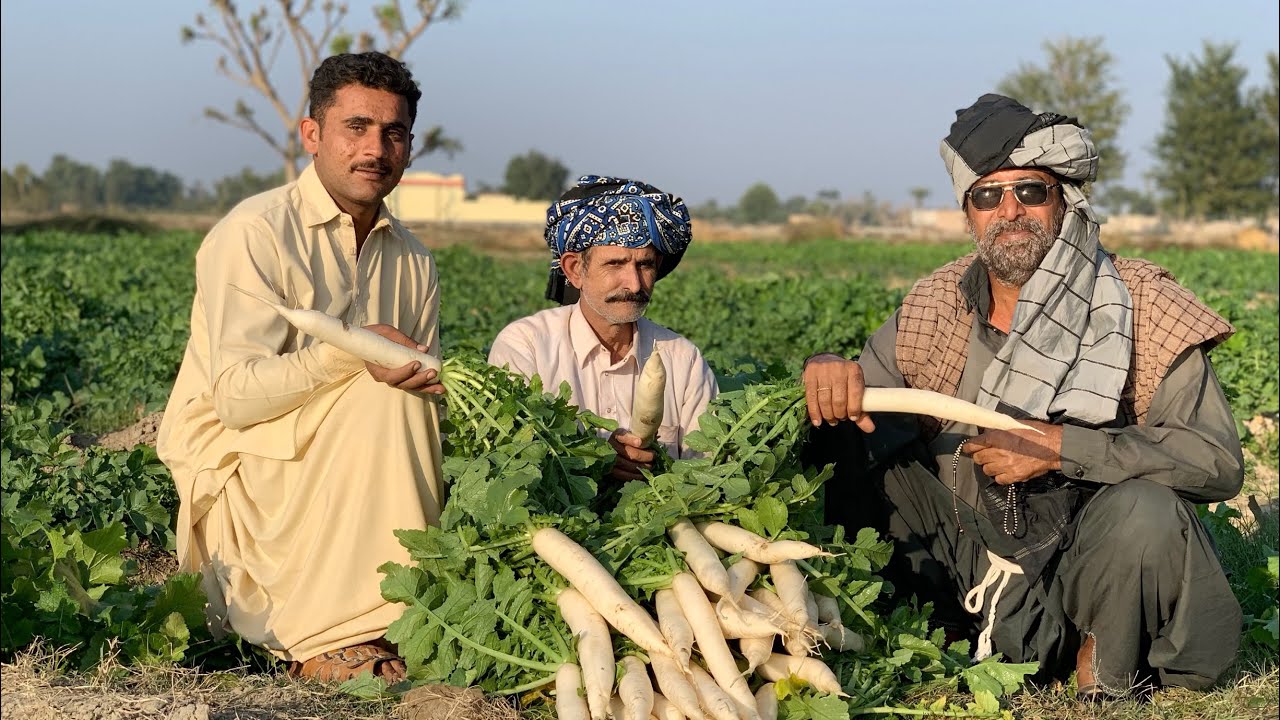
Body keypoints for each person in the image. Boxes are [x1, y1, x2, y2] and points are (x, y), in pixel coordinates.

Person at [803, 94, 1243, 700]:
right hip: (970, 553)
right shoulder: (937, 305)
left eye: (1031, 192)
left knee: (1146, 508)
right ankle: (891, 633)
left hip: (1090, 569)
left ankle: (1107, 665)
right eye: (988, 195)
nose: (1010, 211)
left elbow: (1215, 462)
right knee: (839, 438)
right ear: (968, 213)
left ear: (1063, 201)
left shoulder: (1141, 303)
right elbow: (866, 405)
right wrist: (830, 372)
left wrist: (1062, 447)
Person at [157, 52, 445, 684]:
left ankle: (405, 611)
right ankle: (332, 631)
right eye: (357, 127)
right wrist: (350, 350)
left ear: (410, 146)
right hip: (246, 459)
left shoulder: (414, 260)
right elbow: (233, 400)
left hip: (366, 458)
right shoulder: (256, 232)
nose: (376, 148)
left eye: (393, 133)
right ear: (312, 135)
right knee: (384, 395)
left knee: (408, 398)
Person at [488, 176, 718, 480]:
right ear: (574, 270)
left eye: (645, 265)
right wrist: (593, 458)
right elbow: (507, 463)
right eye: (615, 264)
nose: (634, 284)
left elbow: (708, 471)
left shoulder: (683, 360)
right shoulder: (526, 347)